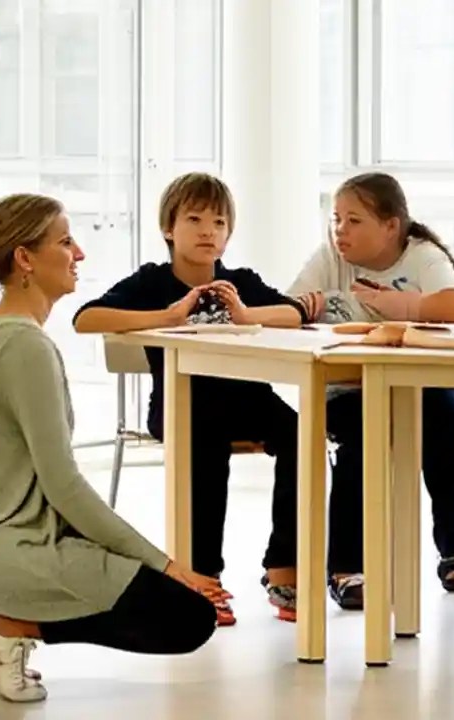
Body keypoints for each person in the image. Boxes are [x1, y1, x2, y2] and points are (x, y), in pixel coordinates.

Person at [0, 194, 221, 703]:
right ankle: (8, 625)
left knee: (178, 606)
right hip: (6, 552)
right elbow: (64, 485)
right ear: (25, 259)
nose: (80, 254)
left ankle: (4, 623)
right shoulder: (23, 345)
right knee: (187, 618)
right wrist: (165, 565)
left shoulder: (4, 334)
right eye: (66, 241)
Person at [73, 173, 308, 625]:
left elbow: (293, 313)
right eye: (195, 219)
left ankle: (285, 568)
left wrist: (244, 313)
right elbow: (87, 318)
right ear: (168, 228)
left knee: (303, 434)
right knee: (206, 444)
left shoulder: (239, 281)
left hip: (247, 399)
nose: (207, 231)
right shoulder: (151, 282)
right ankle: (203, 577)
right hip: (183, 405)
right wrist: (169, 316)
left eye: (219, 223)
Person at [288, 172, 454, 610]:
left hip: (427, 385)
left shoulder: (422, 255)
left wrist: (401, 307)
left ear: (391, 226)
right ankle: (346, 568)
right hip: (348, 388)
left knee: (451, 419)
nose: (340, 231)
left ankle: (453, 545)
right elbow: (289, 304)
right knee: (358, 441)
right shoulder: (328, 259)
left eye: (353, 221)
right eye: (336, 219)